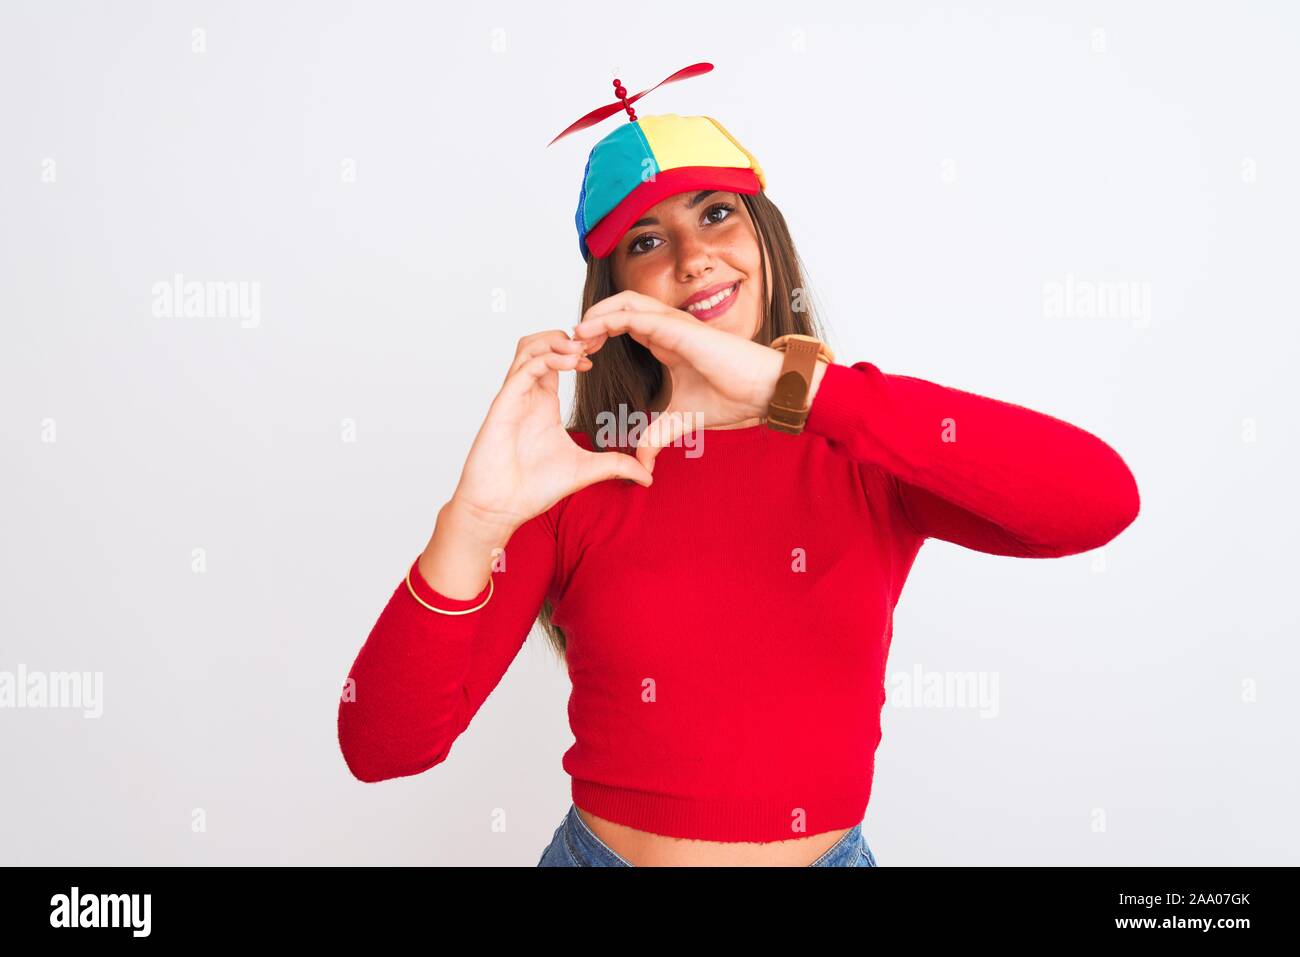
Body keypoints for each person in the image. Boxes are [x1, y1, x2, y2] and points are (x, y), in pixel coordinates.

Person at [336, 78, 1141, 868]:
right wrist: (474, 522)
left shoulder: (859, 441)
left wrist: (788, 385)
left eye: (716, 214)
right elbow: (384, 747)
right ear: (614, 292)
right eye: (646, 241)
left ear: (766, 238)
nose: (694, 259)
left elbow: (1098, 501)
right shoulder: (572, 474)